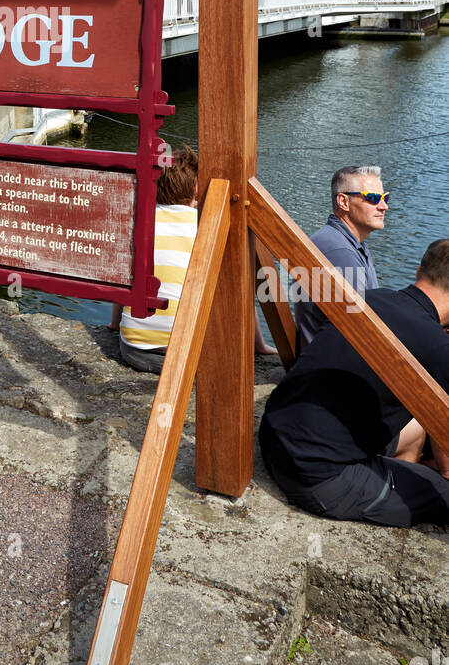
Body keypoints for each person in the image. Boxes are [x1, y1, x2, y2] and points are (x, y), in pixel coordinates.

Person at [259, 239, 449, 528]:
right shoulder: (438, 346)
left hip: (275, 438)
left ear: (419, 271)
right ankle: (394, 490)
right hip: (318, 478)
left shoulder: (368, 299)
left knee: (414, 433)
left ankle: (396, 481)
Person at [112, 146, 275, 373]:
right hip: (189, 355)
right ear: (196, 188)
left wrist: (114, 326)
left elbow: (123, 284)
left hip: (133, 349)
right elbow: (240, 289)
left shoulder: (137, 221)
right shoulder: (205, 225)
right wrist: (258, 345)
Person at [292, 165, 386, 351]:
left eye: (385, 197)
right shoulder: (339, 251)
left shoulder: (343, 240)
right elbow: (360, 328)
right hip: (332, 371)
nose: (384, 206)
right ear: (343, 201)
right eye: (373, 198)